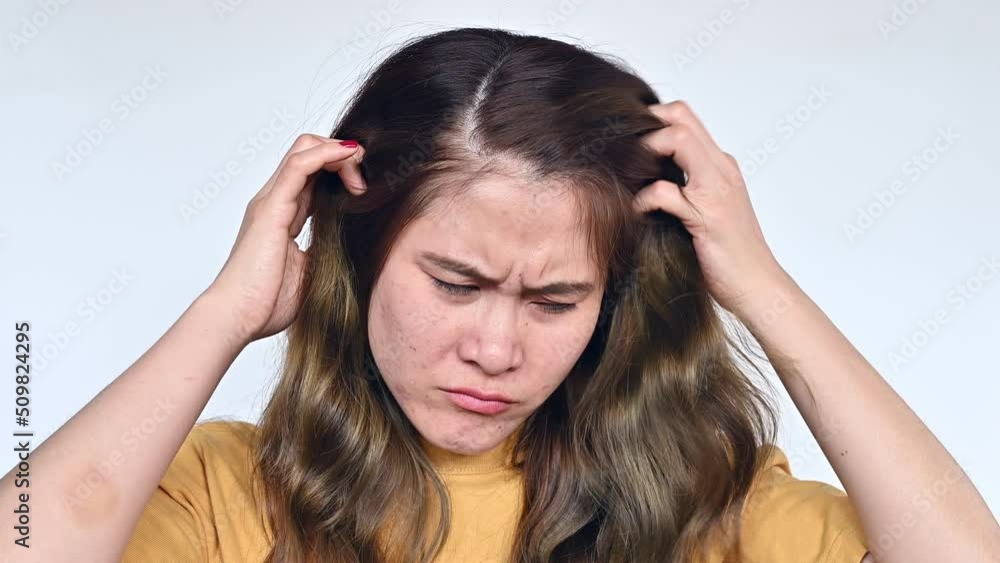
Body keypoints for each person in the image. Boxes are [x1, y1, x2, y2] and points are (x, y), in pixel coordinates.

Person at [3, 27, 997, 563]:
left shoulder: (709, 508)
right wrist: (224, 312)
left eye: (555, 299)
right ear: (359, 255)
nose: (494, 346)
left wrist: (762, 285)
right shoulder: (220, 492)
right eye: (454, 281)